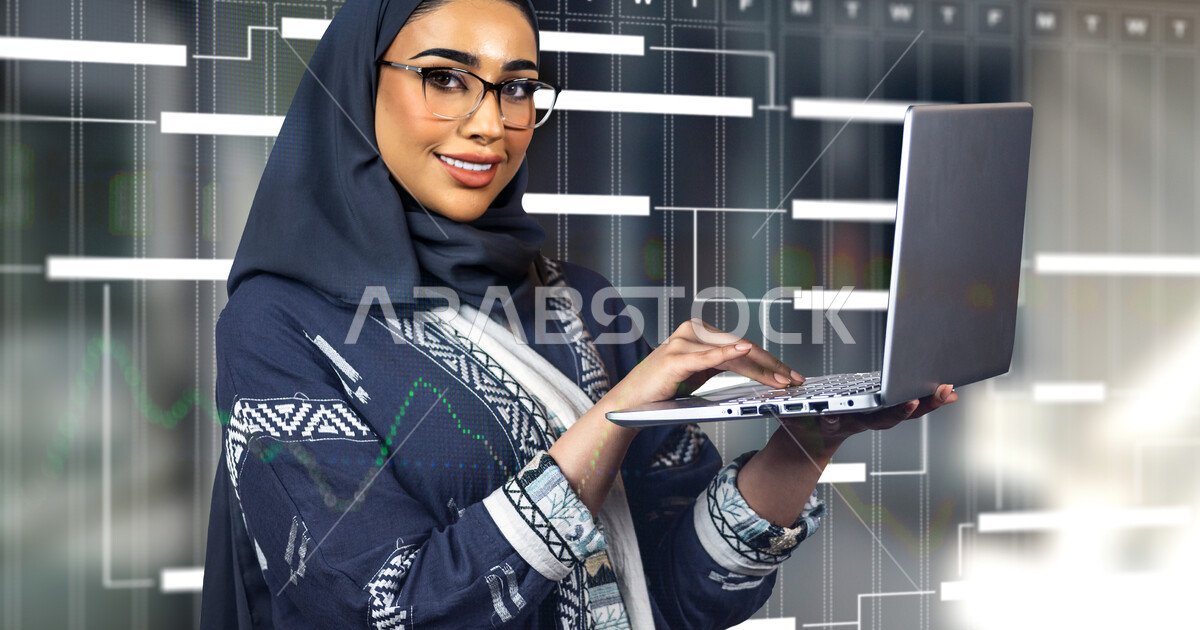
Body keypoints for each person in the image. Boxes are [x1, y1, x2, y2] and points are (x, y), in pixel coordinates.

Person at [199, 0, 958, 627]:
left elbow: (681, 592)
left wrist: (805, 442)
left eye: (517, 87)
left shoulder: (580, 301)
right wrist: (618, 412)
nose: (490, 123)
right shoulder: (278, 326)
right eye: (444, 79)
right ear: (360, 83)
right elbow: (384, 608)